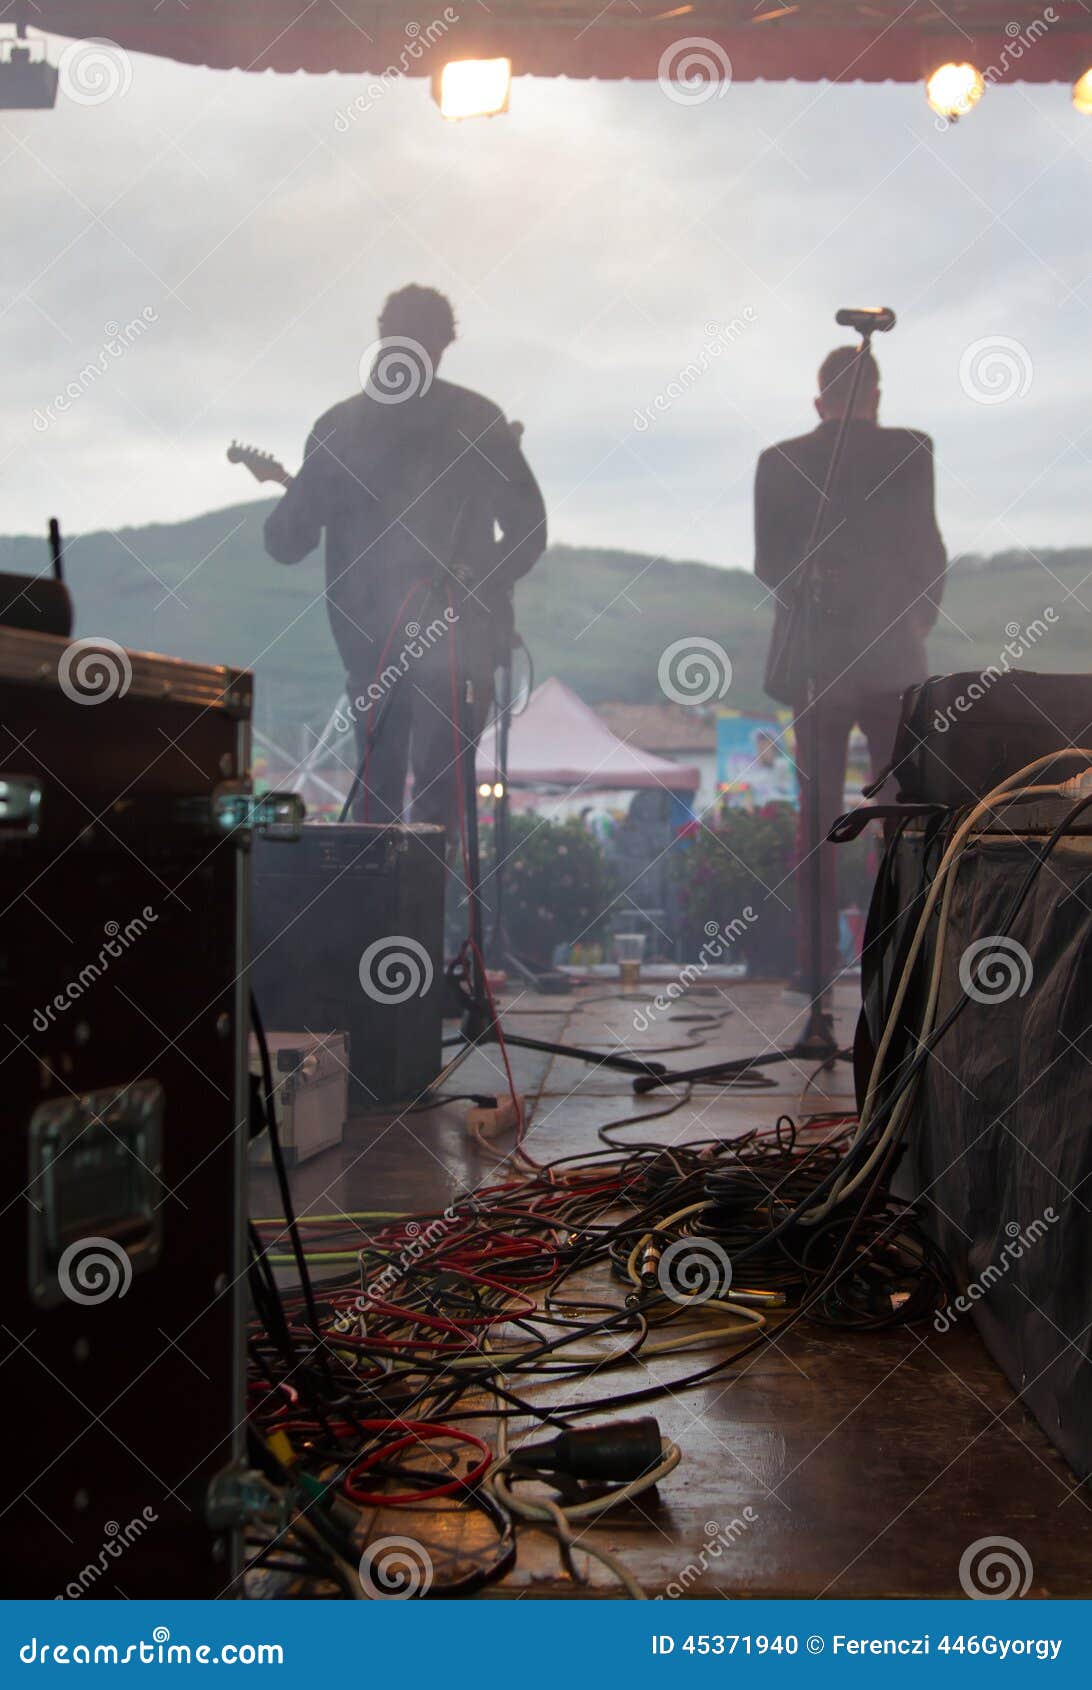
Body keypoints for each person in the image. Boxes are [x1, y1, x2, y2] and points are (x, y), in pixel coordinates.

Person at [264, 284, 547, 838]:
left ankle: (382, 918)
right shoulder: (476, 418)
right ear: (444, 344)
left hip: (380, 654)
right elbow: (528, 529)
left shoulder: (340, 427)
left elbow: (285, 543)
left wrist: (300, 499)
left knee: (376, 811)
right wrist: (474, 585)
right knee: (440, 815)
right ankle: (423, 918)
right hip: (453, 647)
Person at [753, 344, 946, 994]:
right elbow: (929, 547)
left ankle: (812, 968)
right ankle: (898, 962)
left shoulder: (779, 463)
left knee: (816, 813)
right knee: (898, 812)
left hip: (817, 661)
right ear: (878, 396)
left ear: (818, 400)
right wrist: (917, 619)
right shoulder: (910, 450)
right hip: (892, 658)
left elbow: (770, 567)